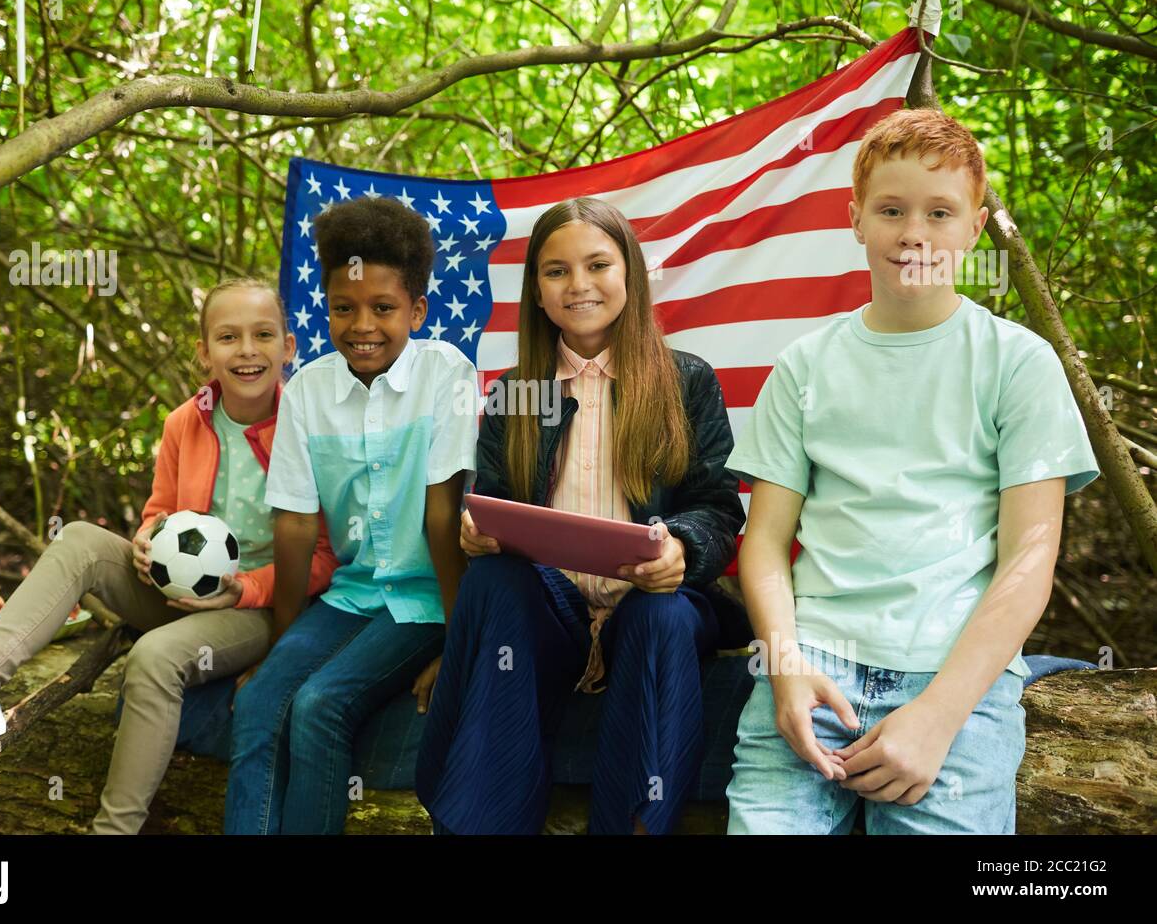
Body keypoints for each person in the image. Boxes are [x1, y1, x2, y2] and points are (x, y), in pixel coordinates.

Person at [723, 108, 1100, 834]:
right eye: (891, 210)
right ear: (856, 218)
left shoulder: (1018, 364)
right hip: (815, 668)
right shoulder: (805, 366)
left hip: (956, 683)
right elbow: (765, 542)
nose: (914, 234)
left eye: (940, 212)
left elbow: (1030, 556)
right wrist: (784, 665)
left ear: (976, 226)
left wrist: (938, 714)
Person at [0, 277, 336, 834]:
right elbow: (160, 513)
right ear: (204, 352)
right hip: (175, 592)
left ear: (290, 346)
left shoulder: (309, 430)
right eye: (228, 337)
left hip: (252, 611)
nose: (247, 350)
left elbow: (324, 558)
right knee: (81, 537)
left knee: (153, 658)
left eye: (263, 335)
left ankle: (114, 829)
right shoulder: (185, 421)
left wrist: (244, 589)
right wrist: (147, 542)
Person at [415, 196, 746, 834]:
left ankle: (635, 823)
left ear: (630, 275)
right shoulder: (518, 392)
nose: (579, 285)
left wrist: (680, 547)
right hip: (554, 607)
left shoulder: (685, 381)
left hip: (654, 602)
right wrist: (479, 535)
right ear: (537, 291)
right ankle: (480, 823)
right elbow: (497, 502)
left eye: (597, 265)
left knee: (661, 612)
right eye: (556, 271)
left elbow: (717, 506)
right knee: (491, 579)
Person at [224, 196, 478, 834]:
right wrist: (285, 645)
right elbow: (296, 526)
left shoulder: (446, 374)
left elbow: (442, 516)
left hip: (424, 600)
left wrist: (459, 640)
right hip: (349, 596)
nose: (362, 324)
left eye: (383, 308)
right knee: (260, 699)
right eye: (344, 308)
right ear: (326, 309)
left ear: (416, 310)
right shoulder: (308, 390)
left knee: (319, 704)